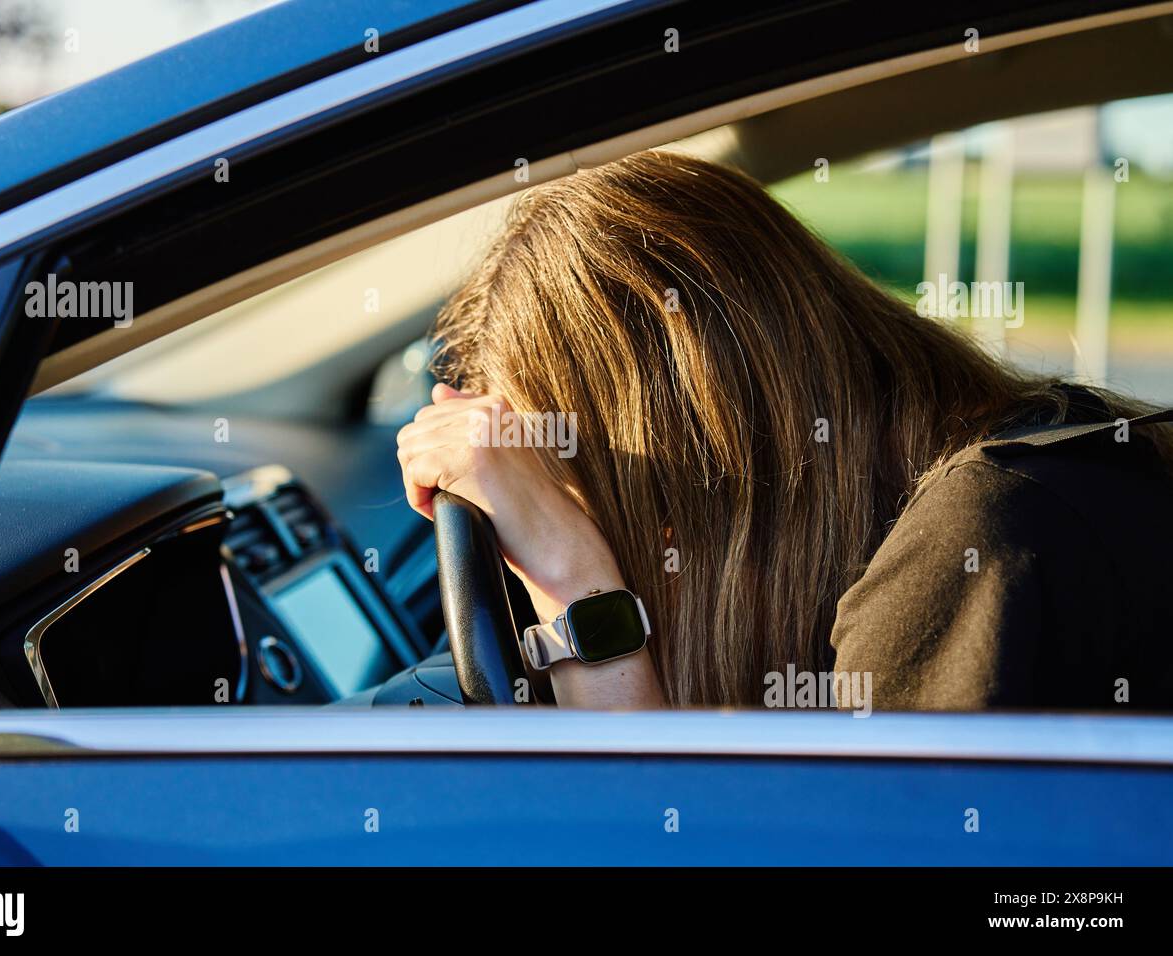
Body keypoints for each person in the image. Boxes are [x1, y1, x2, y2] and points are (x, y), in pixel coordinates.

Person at [395, 149, 1173, 711]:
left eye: (584, 494)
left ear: (694, 463)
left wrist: (575, 588)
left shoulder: (972, 560)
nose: (621, 537)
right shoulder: (1057, 462)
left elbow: (659, 851)